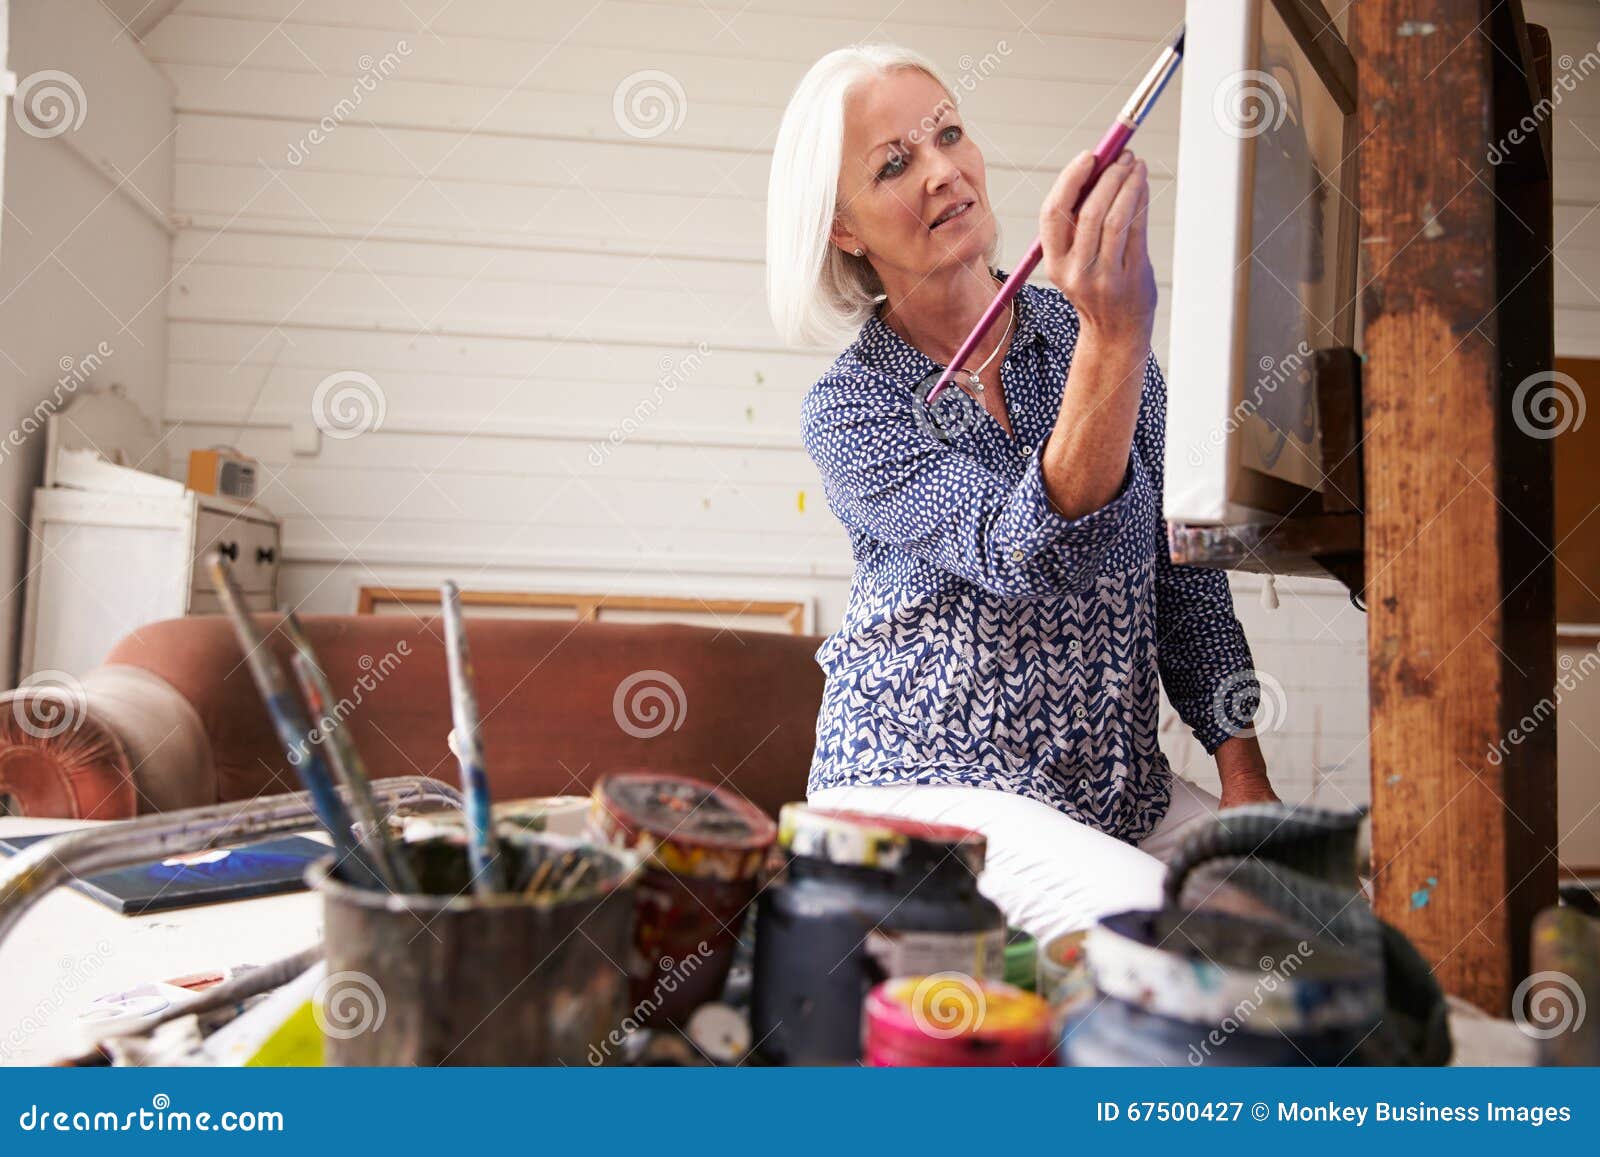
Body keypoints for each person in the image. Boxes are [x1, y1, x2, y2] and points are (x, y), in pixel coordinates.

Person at [765, 44, 1278, 944]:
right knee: (1171, 939)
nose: (942, 172)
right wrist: (1113, 336)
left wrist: (1246, 788)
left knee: (1320, 914)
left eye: (948, 134)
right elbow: (1025, 551)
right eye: (895, 164)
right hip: (923, 790)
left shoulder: (1094, 339)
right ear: (844, 229)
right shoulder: (852, 409)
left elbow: (1185, 583)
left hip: (1115, 797)